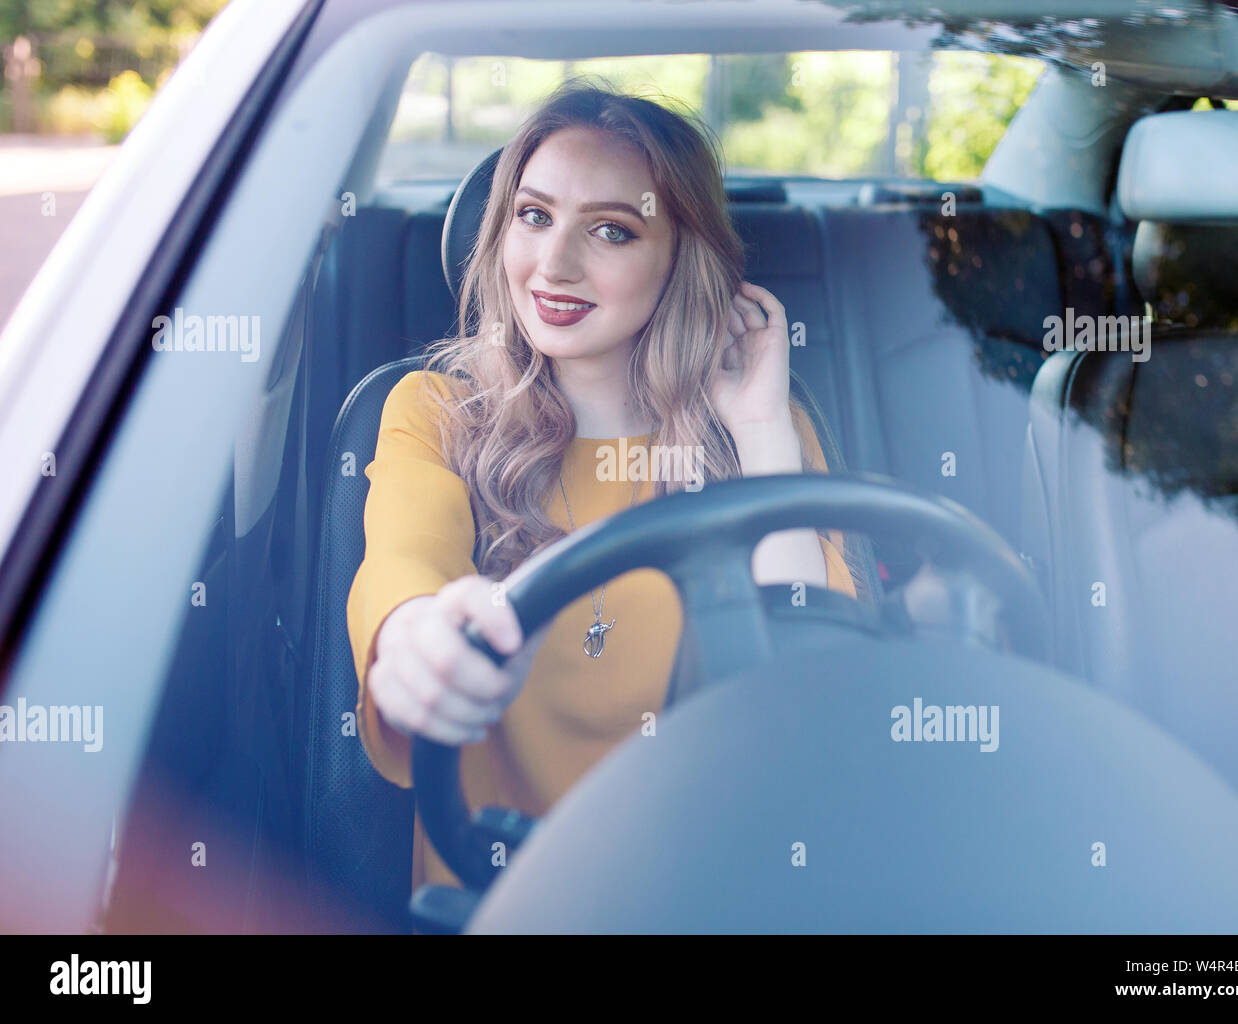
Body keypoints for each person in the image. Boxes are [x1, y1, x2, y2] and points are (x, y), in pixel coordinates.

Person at [346, 80, 868, 895]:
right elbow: (404, 561)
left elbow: (811, 686)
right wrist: (415, 636)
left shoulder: (765, 429)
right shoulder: (434, 411)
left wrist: (761, 428)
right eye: (533, 215)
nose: (553, 264)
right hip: (501, 902)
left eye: (612, 232)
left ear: (679, 260)